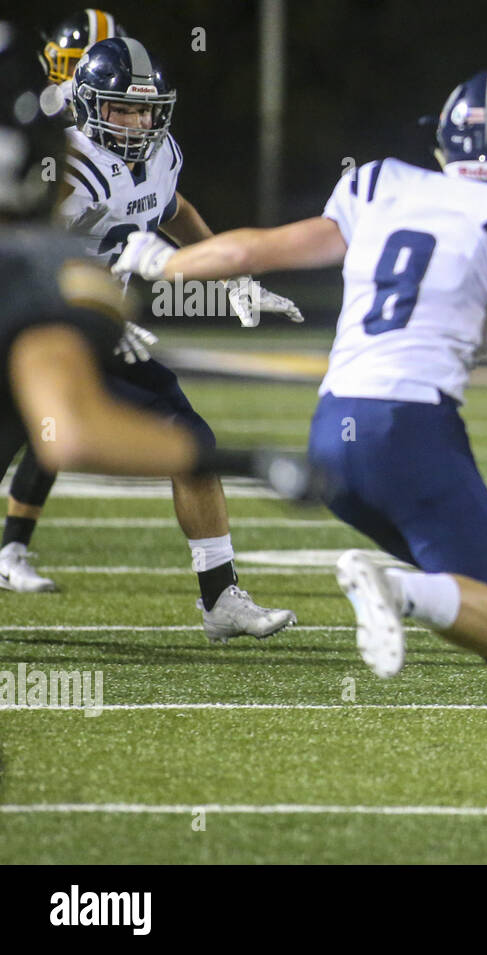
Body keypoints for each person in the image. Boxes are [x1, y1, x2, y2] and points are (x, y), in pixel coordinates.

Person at [112, 68, 487, 795]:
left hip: (334, 430)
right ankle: (394, 591)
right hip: (411, 430)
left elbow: (252, 251)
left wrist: (167, 260)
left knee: (483, 592)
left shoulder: (384, 184)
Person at [1, 35, 300, 650]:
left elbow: (171, 208)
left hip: (88, 323)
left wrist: (226, 272)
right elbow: (43, 253)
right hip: (38, 316)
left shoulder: (159, 154)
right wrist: (94, 306)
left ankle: (220, 596)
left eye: (144, 110)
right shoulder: (67, 160)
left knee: (188, 436)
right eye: (121, 109)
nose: (137, 123)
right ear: (86, 106)